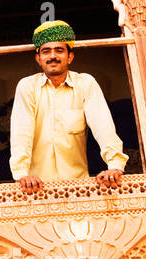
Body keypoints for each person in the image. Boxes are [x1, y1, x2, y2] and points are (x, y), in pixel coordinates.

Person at [9, 20, 128, 193]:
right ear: (38, 58)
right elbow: (22, 131)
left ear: (70, 57)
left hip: (78, 185)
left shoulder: (85, 83)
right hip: (36, 186)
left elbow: (103, 125)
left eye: (59, 50)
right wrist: (21, 173)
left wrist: (115, 165)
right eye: (46, 51)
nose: (52, 56)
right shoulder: (27, 86)